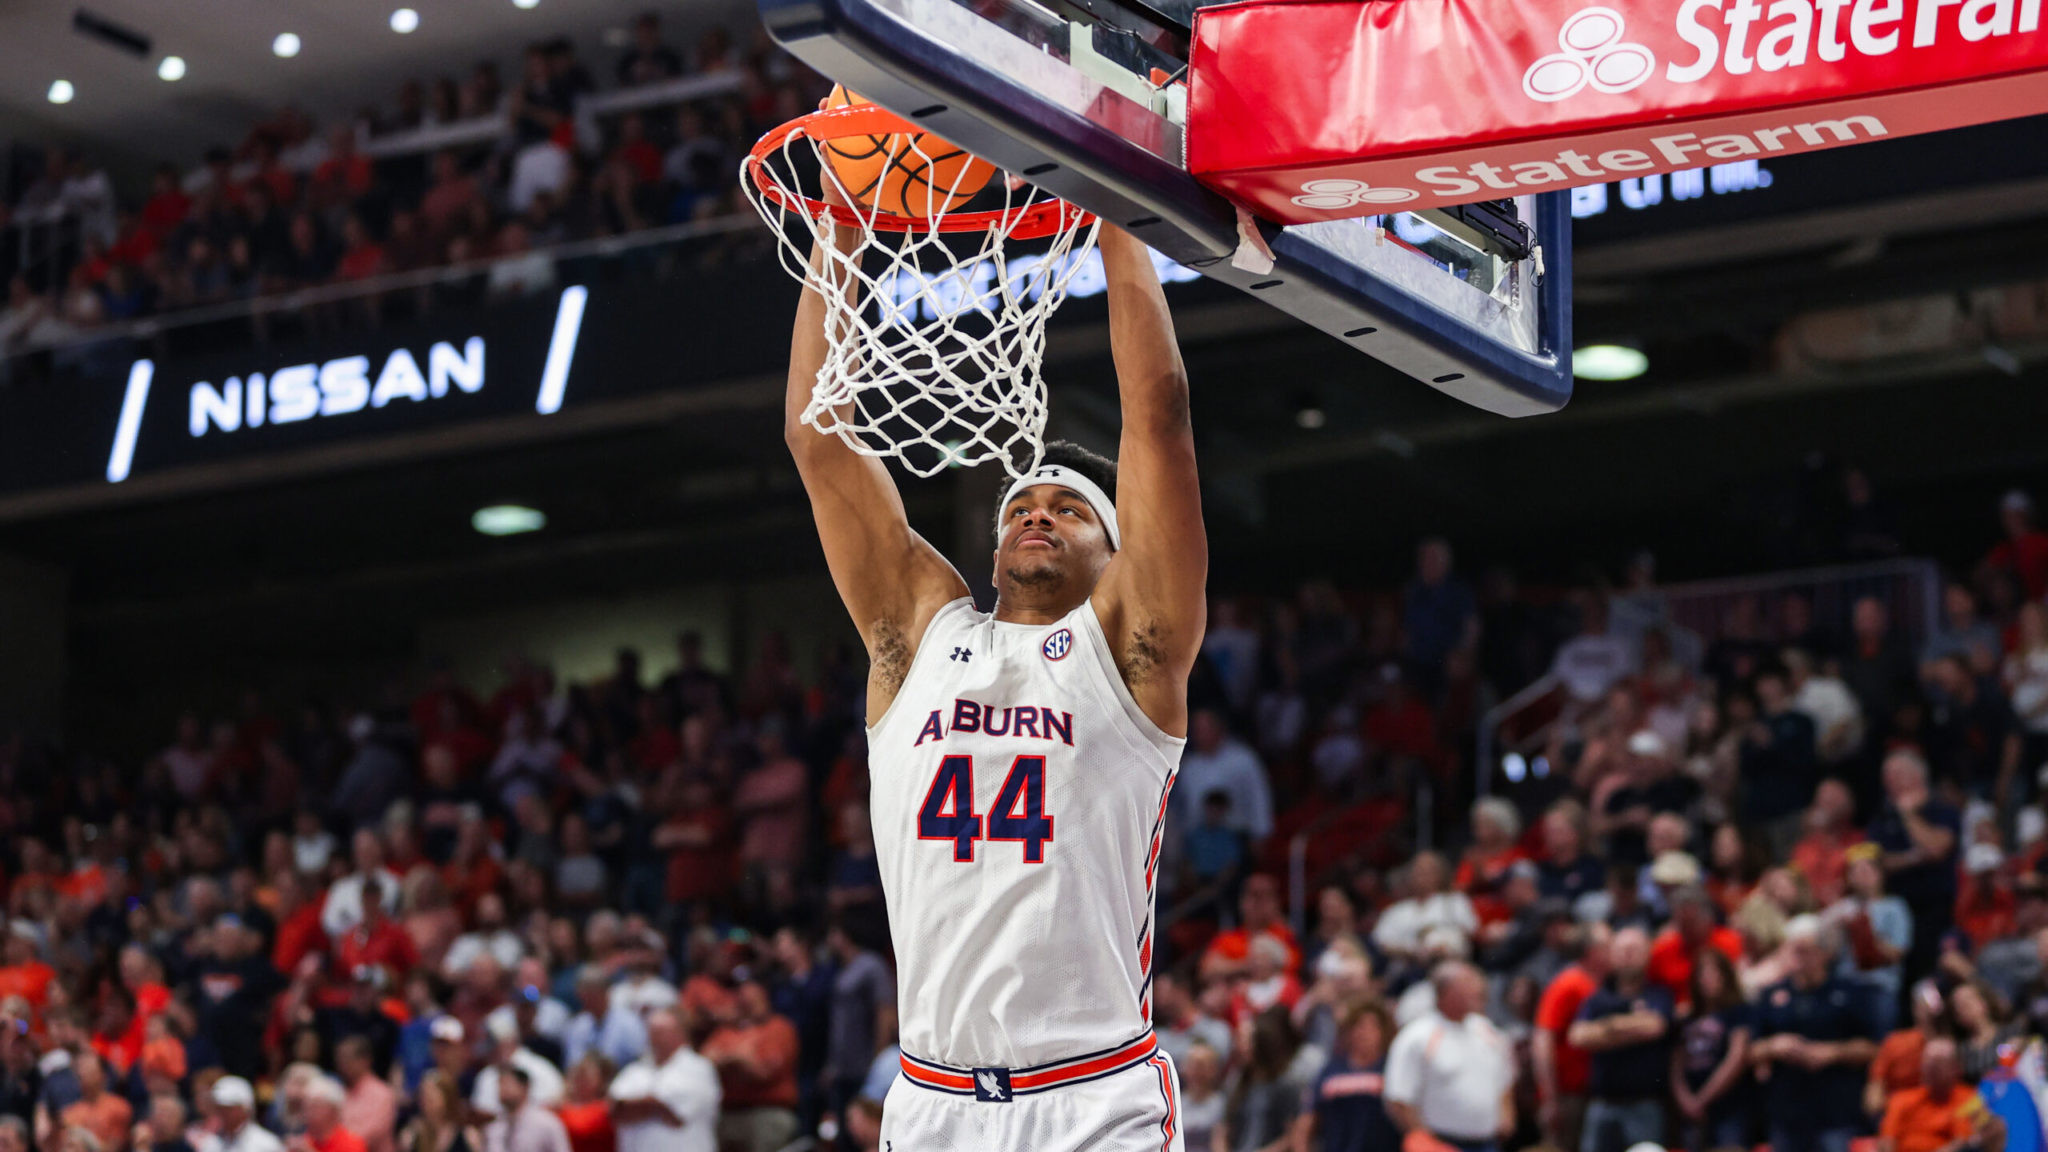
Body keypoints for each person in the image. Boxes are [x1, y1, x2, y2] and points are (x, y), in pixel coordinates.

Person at [786, 205, 1204, 1150]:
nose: (1039, 516)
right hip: (932, 1097)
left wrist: (1120, 206)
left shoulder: (1134, 652)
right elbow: (819, 439)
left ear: (1118, 553)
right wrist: (841, 232)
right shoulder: (917, 633)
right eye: (1024, 504)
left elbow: (1162, 416)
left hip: (1094, 1095)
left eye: (1071, 510)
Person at [1751, 916, 1878, 1152]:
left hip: (1835, 1112)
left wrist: (1833, 1052)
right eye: (1794, 951)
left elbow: (1873, 1047)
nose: (1799, 958)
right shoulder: (1772, 995)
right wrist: (1774, 1046)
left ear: (1824, 953)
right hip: (1786, 1113)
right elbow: (1750, 1049)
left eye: (1806, 951)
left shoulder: (1849, 992)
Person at [1384, 963, 1517, 1152]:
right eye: (1469, 984)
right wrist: (1426, 1142)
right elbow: (1398, 1097)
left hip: (1487, 1141)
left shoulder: (1488, 1032)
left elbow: (1504, 1079)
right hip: (1441, 1141)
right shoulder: (1417, 1036)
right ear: (1446, 991)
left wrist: (1507, 1114)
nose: (1479, 989)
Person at [1568, 927, 1674, 1152]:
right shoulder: (1598, 998)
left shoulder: (1658, 993)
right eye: (1623, 950)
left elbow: (1655, 1027)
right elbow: (1578, 1036)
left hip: (1645, 1104)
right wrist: (1629, 1025)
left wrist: (1604, 1030)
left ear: (1647, 954)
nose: (1628, 955)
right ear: (1612, 955)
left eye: (1634, 949)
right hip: (1602, 1104)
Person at [1533, 923, 1612, 1152]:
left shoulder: (1602, 984)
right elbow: (1543, 1040)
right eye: (1607, 945)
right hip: (1567, 1096)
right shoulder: (1568, 984)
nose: (1613, 949)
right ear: (1591, 951)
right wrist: (1550, 1098)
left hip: (1591, 1092)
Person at [1291, 998, 1401, 1152]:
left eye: (1372, 1026)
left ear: (1383, 1032)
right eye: (1358, 1026)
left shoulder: (1392, 1069)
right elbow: (1306, 1121)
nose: (1364, 1033)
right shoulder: (1330, 1070)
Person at [1672, 948, 1752, 1152]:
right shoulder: (1688, 1017)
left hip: (1728, 1104)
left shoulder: (1738, 1012)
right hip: (1691, 1107)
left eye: (1714, 973)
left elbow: (1736, 1058)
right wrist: (1685, 1098)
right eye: (1703, 974)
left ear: (1726, 977)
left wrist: (1703, 1098)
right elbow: (1677, 1062)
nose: (1708, 980)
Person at [607, 1008, 718, 1152]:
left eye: (660, 1032)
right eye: (651, 1032)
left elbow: (676, 1117)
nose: (653, 1038)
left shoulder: (698, 1068)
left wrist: (640, 1106)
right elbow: (616, 1111)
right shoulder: (634, 1070)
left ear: (680, 1033)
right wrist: (655, 1104)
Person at [1878, 1037, 2006, 1152]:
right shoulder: (1901, 1099)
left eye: (1938, 1062)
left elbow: (1963, 1142)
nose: (1930, 1067)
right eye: (1927, 1061)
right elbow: (1887, 1141)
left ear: (1955, 1068)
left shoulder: (1969, 1098)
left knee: (1997, 1128)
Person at [481, 1068, 568, 1152]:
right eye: (500, 1084)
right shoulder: (493, 1125)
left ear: (525, 1087)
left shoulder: (547, 1123)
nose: (502, 1089)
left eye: (507, 1084)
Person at [397, 1073, 478, 1152]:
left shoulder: (468, 1136)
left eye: (431, 1099)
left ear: (448, 1099)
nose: (425, 1103)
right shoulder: (413, 1135)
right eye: (423, 1097)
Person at [211, 1079, 284, 1152]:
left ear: (245, 1109)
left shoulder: (267, 1144)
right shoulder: (210, 1142)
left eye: (228, 1108)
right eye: (218, 1107)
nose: (222, 1113)